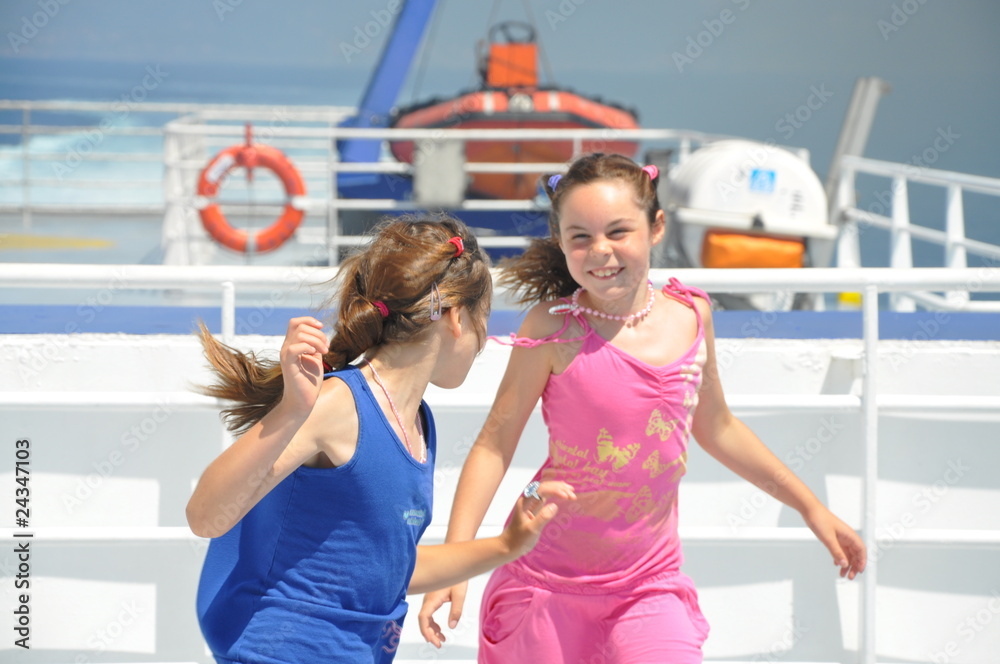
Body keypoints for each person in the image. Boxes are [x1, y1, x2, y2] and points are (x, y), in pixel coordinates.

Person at [417, 154, 867, 663]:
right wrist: (455, 561)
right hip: (545, 584)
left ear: (656, 227)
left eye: (618, 231)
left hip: (648, 586)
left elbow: (718, 427)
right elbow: (495, 444)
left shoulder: (692, 315)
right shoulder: (552, 326)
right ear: (560, 241)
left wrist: (810, 507)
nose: (600, 250)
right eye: (580, 236)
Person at [186, 215, 576, 664]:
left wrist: (507, 545)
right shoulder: (338, 404)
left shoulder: (418, 425)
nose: (484, 341)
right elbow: (206, 516)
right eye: (483, 321)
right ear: (455, 317)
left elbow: (390, 568)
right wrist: (292, 409)